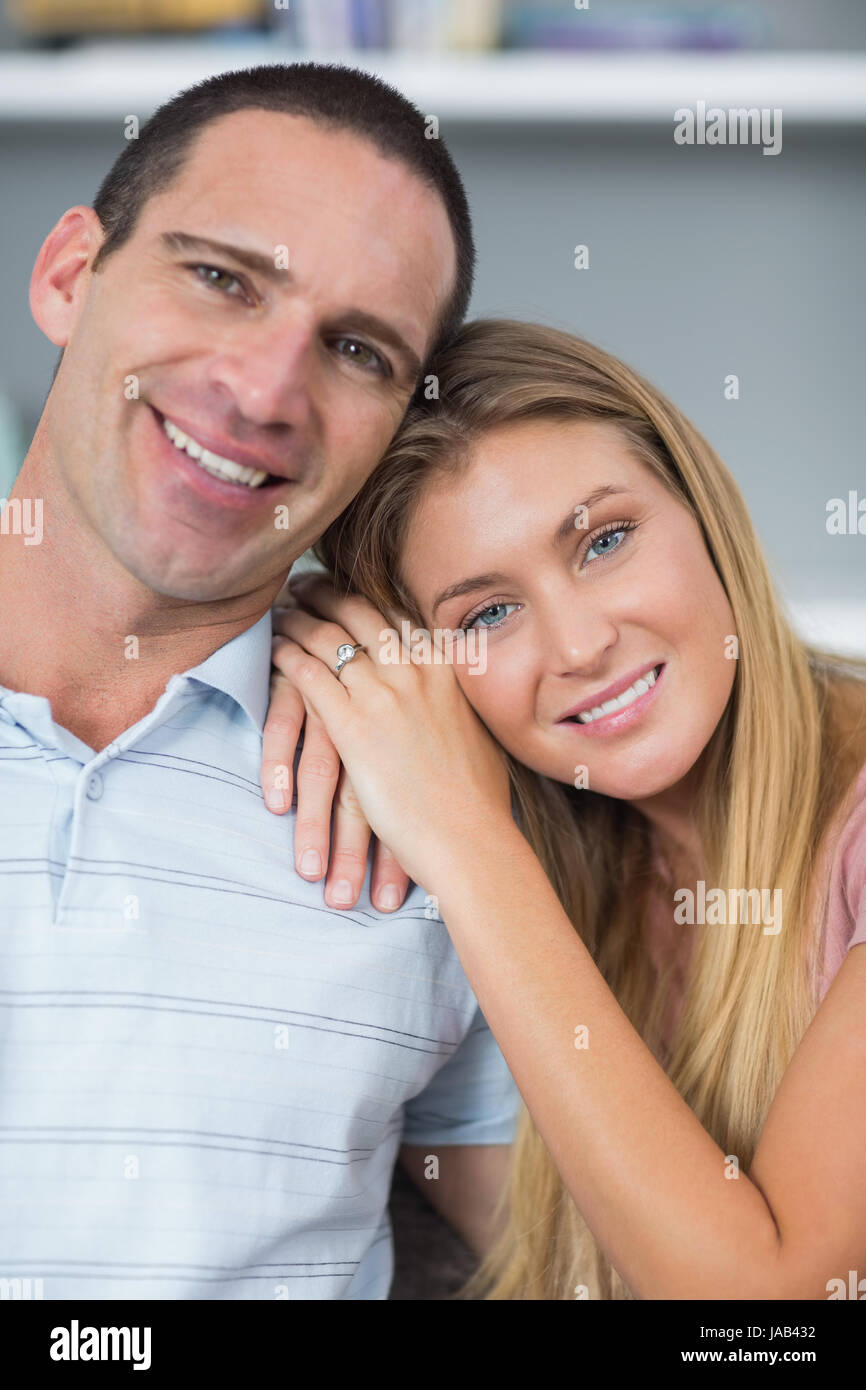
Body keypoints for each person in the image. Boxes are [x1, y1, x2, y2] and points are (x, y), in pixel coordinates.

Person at [0, 64, 521, 1301]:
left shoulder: (430, 791)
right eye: (223, 276)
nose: (264, 393)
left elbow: (589, 1279)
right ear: (71, 275)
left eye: (356, 349)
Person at [264, 318, 866, 1300]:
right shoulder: (561, 893)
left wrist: (466, 841)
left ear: (701, 508)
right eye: (486, 614)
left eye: (604, 540)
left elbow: (768, 1312)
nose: (579, 643)